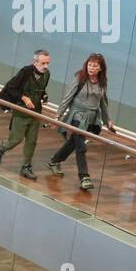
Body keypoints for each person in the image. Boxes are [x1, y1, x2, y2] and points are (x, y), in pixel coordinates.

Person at [48, 52, 117, 192]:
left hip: (92, 118)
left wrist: (107, 121)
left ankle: (54, 161)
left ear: (100, 68)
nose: (91, 68)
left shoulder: (102, 82)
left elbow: (103, 103)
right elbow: (68, 97)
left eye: (95, 65)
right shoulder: (80, 77)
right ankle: (84, 177)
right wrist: (58, 115)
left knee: (73, 142)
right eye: (90, 64)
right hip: (77, 116)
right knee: (80, 147)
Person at [0, 49, 52, 180]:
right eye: (43, 63)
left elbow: (41, 90)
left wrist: (44, 96)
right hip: (21, 112)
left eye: (47, 63)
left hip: (36, 112)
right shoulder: (25, 72)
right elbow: (10, 88)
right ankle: (0, 148)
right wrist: (24, 98)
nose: (46, 66)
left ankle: (26, 167)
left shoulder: (46, 75)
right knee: (16, 139)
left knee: (32, 141)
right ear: (35, 62)